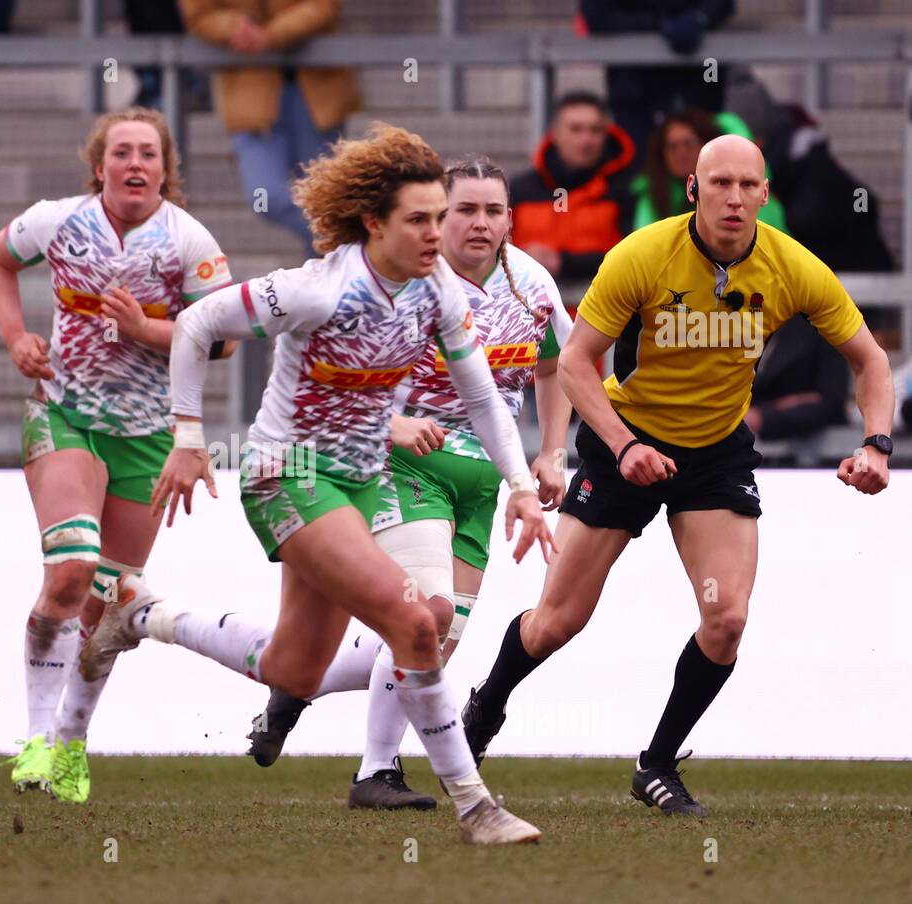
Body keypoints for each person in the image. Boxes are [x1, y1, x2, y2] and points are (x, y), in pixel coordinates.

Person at [83, 125, 555, 845]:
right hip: (289, 475)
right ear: (375, 223)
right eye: (420, 220)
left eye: (440, 217)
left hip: (359, 483)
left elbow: (486, 398)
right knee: (419, 621)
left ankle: (143, 613)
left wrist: (521, 483)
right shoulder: (315, 289)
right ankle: (474, 805)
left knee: (294, 669)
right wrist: (186, 435)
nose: (437, 234)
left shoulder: (436, 296)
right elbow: (198, 322)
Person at [463, 135, 894, 816]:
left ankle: (656, 764)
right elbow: (577, 363)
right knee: (557, 622)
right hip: (622, 443)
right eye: (718, 183)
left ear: (764, 195)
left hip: (713, 455)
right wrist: (624, 443)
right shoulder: (643, 254)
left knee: (726, 620)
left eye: (748, 185)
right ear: (692, 190)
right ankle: (485, 708)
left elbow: (869, 362)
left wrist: (876, 443)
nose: (733, 197)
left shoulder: (794, 267)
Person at [244, 157, 575, 809]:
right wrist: (391, 421)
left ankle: (293, 689)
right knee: (425, 614)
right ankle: (377, 771)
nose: (481, 223)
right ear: (437, 216)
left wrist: (551, 453)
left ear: (511, 217)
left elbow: (558, 364)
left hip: (481, 482)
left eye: (495, 211)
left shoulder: (531, 285)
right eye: (465, 210)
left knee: (434, 640)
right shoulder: (407, 282)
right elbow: (330, 371)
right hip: (405, 465)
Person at [0, 107, 233, 802]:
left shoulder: (189, 241)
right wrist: (14, 337)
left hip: (148, 437)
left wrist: (145, 328)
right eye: (122, 152)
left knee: (107, 607)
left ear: (164, 169)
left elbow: (228, 337)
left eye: (148, 153)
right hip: (65, 415)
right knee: (71, 569)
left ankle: (71, 745)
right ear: (100, 166)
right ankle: (33, 739)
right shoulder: (59, 220)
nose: (135, 164)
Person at [180, 0, 360, 256]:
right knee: (267, 198)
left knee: (324, 200)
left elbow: (324, 6)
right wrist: (236, 27)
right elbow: (198, 15)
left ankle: (335, 270)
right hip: (250, 92)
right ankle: (352, 242)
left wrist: (271, 35)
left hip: (315, 90)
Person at [578, 0, 737, 166]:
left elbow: (723, 4)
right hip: (634, 86)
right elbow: (595, 16)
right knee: (640, 166)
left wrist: (700, 18)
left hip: (699, 76)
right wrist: (658, 24)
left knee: (702, 159)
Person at [508, 92, 634, 287]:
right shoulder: (519, 190)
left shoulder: (627, 191)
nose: (586, 139)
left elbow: (634, 258)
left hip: (602, 313)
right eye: (575, 129)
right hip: (529, 313)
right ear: (556, 133)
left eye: (595, 130)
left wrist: (563, 263)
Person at [631, 107, 786, 232]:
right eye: (672, 146)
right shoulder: (651, 195)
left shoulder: (755, 196)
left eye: (688, 144)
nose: (681, 153)